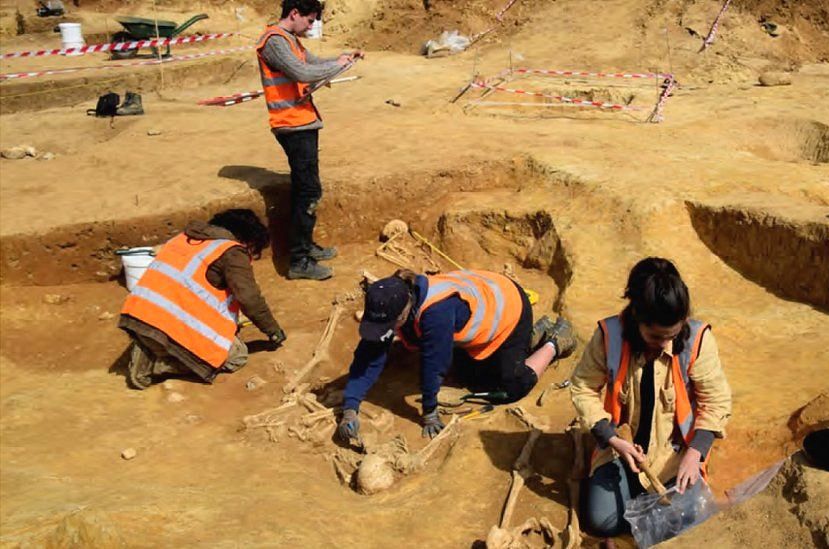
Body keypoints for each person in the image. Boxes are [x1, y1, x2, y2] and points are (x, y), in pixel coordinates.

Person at [570, 257, 732, 539]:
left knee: (689, 518)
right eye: (656, 336)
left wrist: (695, 453)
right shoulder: (609, 335)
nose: (667, 343)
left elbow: (715, 401)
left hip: (674, 454)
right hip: (619, 448)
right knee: (602, 522)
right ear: (636, 318)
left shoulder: (697, 340)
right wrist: (612, 439)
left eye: (674, 333)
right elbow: (583, 387)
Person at [337, 269, 577, 440]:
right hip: (485, 304)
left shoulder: (436, 314)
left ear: (403, 312)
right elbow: (368, 356)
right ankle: (531, 337)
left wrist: (429, 412)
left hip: (510, 308)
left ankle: (554, 342)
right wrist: (350, 407)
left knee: (510, 388)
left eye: (388, 326)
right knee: (468, 378)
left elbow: (434, 365)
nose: (385, 331)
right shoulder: (390, 299)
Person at [255, 0, 364, 280]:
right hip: (292, 125)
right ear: (294, 13)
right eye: (310, 20)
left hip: (302, 122)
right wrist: (335, 65)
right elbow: (303, 73)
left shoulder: (290, 40)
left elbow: (314, 63)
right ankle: (299, 260)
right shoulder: (274, 42)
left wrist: (342, 59)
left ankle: (305, 246)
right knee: (309, 192)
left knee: (306, 189)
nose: (312, 25)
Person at [118, 209, 286, 389]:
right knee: (236, 356)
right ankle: (155, 365)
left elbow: (192, 290)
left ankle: (150, 347)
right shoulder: (231, 252)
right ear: (247, 239)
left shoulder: (184, 238)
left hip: (138, 317)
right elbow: (249, 298)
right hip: (165, 326)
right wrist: (272, 330)